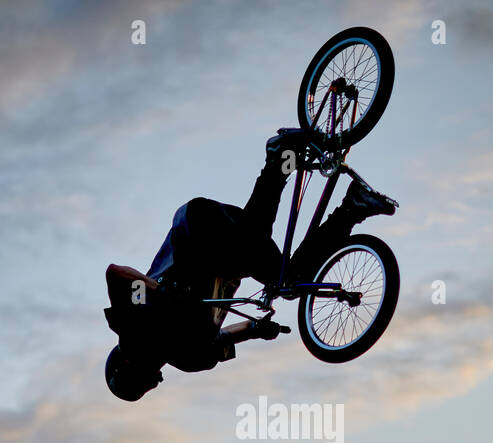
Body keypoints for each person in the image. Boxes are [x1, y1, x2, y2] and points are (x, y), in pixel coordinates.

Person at [105, 127, 396, 400]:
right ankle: (353, 206)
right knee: (289, 282)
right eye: (154, 379)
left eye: (148, 377)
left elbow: (119, 276)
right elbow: (224, 338)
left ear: (131, 364)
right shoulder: (191, 357)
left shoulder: (134, 328)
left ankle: (281, 156)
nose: (157, 373)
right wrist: (257, 330)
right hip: (235, 259)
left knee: (246, 240)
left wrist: (157, 293)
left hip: (197, 232)